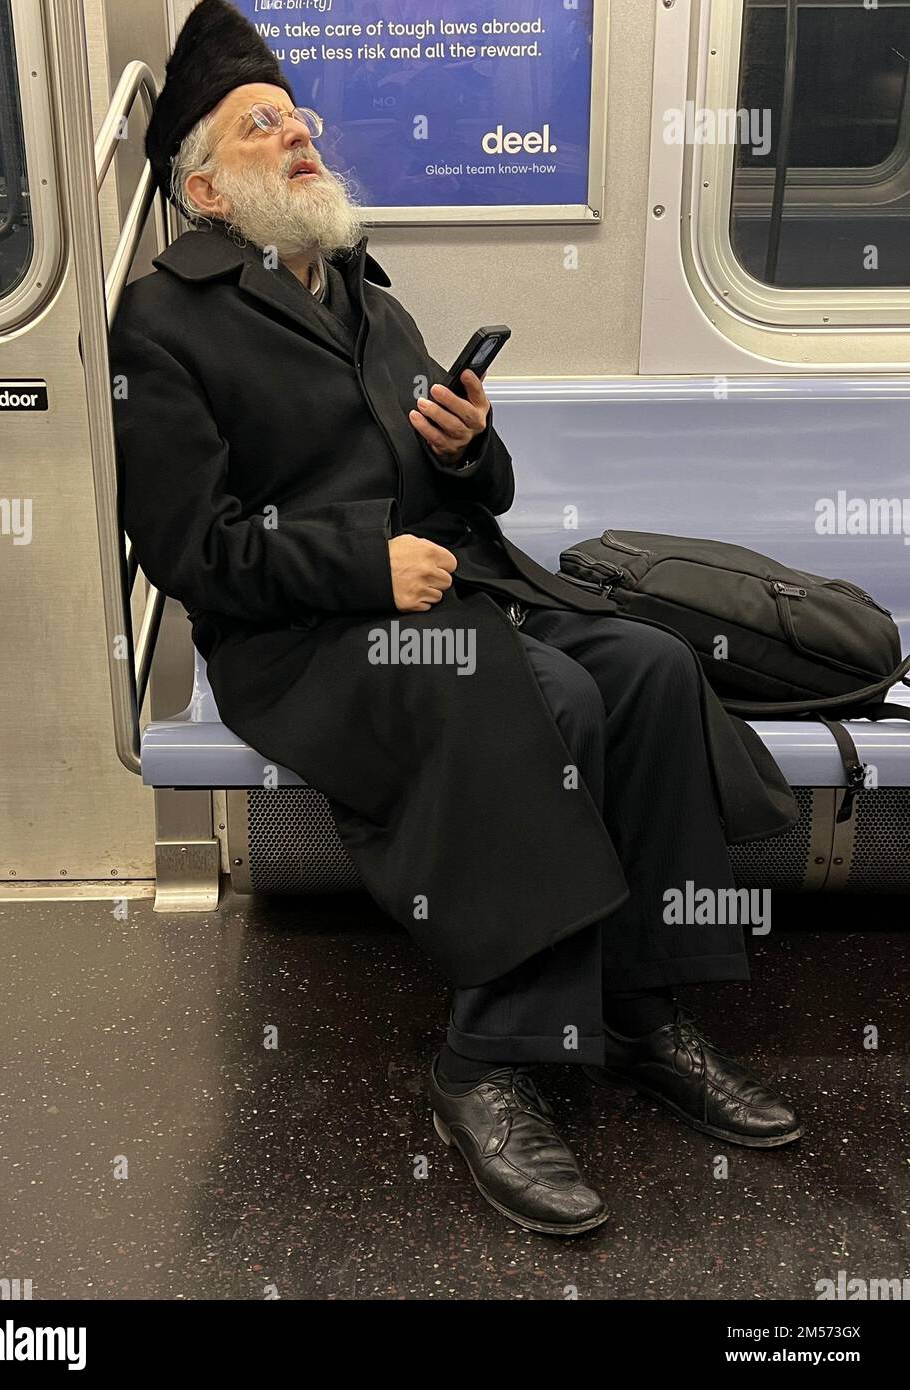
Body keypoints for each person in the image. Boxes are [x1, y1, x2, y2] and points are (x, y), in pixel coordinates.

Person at [110, 0, 802, 1238]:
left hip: (447, 592)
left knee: (639, 667)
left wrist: (474, 450)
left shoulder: (367, 294)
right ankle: (492, 1056)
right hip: (301, 639)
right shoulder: (161, 324)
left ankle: (640, 1009)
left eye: (299, 117)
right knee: (548, 695)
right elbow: (189, 548)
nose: (299, 136)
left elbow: (461, 491)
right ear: (204, 190)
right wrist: (365, 565)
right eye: (260, 125)